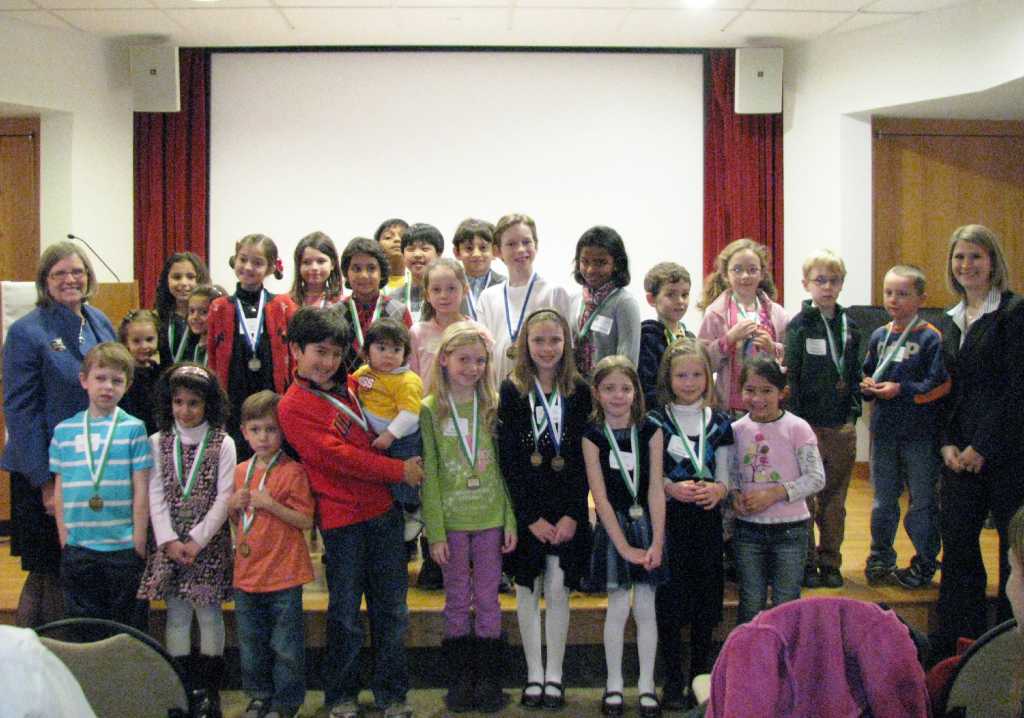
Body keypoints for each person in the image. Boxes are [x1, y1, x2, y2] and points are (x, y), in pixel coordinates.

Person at [277, 307, 423, 718]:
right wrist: (399, 470)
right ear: (295, 350)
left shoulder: (358, 384)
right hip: (342, 521)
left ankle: (392, 694)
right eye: (319, 352)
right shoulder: (292, 406)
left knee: (392, 609)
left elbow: (391, 415)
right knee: (344, 613)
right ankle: (340, 696)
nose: (327, 362)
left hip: (383, 510)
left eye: (336, 353)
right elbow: (338, 457)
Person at [2, 241, 117, 627]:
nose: (70, 279)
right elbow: (20, 412)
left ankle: (76, 661)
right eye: (60, 273)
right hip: (44, 471)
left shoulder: (99, 321)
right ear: (44, 282)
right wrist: (45, 481)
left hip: (92, 466)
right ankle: (32, 663)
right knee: (46, 571)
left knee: (78, 569)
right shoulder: (26, 331)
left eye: (77, 272)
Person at [932, 224, 1024, 659]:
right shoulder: (948, 320)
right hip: (960, 454)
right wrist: (949, 444)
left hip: (1008, 453)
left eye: (975, 256)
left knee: (1014, 554)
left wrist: (982, 446)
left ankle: (1008, 647)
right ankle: (961, 649)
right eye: (959, 257)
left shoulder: (1014, 312)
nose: (966, 265)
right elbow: (951, 390)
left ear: (993, 262)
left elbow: (1015, 390)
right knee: (960, 551)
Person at [499, 309, 592, 711]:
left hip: (567, 505)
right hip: (529, 509)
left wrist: (573, 513)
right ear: (525, 345)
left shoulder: (580, 391)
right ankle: (533, 673)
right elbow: (509, 461)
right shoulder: (512, 388)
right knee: (526, 588)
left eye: (555, 340)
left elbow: (586, 459)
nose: (547, 348)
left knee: (558, 588)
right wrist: (529, 517)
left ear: (567, 344)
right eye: (538, 341)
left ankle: (555, 674)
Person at [422, 321, 517, 713]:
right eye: (464, 359)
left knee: (489, 599)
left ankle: (490, 680)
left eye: (480, 360)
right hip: (452, 520)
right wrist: (436, 532)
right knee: (457, 598)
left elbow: (504, 468)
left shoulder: (493, 403)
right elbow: (429, 473)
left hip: (491, 516)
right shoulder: (431, 409)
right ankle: (460, 680)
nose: (473, 367)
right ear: (444, 360)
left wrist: (510, 518)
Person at [137, 363, 237, 718]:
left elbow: (225, 497)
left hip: (206, 546)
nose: (185, 410)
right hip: (170, 546)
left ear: (208, 404)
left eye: (193, 403)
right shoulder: (157, 441)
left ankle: (210, 692)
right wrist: (167, 540)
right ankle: (182, 689)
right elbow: (155, 496)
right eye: (178, 402)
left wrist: (196, 540)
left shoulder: (223, 442)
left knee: (208, 615)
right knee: (177, 615)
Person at [649, 338, 733, 710]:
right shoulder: (655, 421)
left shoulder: (720, 422)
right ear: (668, 377)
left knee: (704, 602)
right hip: (670, 521)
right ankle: (673, 678)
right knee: (670, 599)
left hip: (706, 521)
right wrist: (669, 487)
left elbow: (727, 474)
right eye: (681, 375)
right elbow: (649, 477)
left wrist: (719, 489)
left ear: (707, 377)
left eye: (697, 374)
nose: (689, 382)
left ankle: (701, 674)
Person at [584, 355, 667, 718]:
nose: (618, 396)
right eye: (609, 389)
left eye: (625, 388)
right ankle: (614, 683)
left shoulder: (651, 429)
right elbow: (599, 496)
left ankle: (647, 683)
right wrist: (622, 546)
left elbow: (655, 491)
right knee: (618, 608)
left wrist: (657, 542)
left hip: (647, 525)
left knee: (647, 607)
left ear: (636, 392)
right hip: (613, 529)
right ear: (597, 393)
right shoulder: (592, 435)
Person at [50, 342, 152, 629]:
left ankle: (127, 675)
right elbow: (60, 489)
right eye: (100, 378)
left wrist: (139, 539)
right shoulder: (64, 430)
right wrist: (64, 536)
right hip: (79, 545)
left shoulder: (134, 428)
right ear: (84, 380)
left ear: (127, 386)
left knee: (127, 627)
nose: (108, 387)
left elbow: (141, 488)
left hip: (123, 546)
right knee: (84, 625)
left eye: (117, 381)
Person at [860, 265, 949, 589]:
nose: (893, 299)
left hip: (919, 436)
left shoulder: (930, 336)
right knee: (883, 501)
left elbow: (938, 384)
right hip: (883, 433)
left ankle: (925, 561)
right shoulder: (879, 335)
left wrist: (902, 390)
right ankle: (880, 557)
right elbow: (868, 370)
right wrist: (867, 385)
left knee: (922, 502)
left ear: (921, 298)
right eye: (888, 293)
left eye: (902, 293)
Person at [228, 391, 315, 718]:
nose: (263, 437)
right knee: (252, 644)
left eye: (271, 429)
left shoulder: (293, 471)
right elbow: (241, 523)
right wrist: (232, 509)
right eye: (256, 429)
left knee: (286, 646)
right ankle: (259, 695)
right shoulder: (240, 471)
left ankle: (287, 701)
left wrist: (271, 505)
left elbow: (305, 520)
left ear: (283, 432)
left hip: (284, 573)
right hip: (248, 573)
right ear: (244, 431)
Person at [784, 250, 862, 589]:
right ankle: (806, 563)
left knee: (834, 501)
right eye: (820, 280)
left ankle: (831, 560)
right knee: (806, 498)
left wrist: (852, 415)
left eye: (834, 280)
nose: (827, 287)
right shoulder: (799, 326)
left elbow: (856, 374)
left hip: (840, 426)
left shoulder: (851, 326)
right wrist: (799, 426)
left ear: (842, 284)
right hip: (807, 427)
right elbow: (793, 378)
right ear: (806, 284)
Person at [728, 356, 824, 625]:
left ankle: (787, 662)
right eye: (750, 390)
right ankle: (749, 661)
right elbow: (732, 473)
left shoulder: (797, 427)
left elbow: (816, 478)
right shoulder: (735, 430)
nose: (757, 398)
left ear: (783, 393)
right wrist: (734, 494)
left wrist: (774, 493)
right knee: (751, 599)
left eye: (767, 391)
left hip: (791, 530)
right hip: (748, 530)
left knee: (786, 601)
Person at [206, 234, 292, 459]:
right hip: (234, 392)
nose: (248, 267)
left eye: (257, 262)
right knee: (240, 450)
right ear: (235, 260)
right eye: (243, 259)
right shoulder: (218, 307)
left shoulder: (283, 305)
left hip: (271, 390)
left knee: (273, 447)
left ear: (271, 267)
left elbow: (292, 357)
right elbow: (213, 358)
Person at [477, 213, 573, 382]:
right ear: (498, 251)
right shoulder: (488, 298)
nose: (520, 249)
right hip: (499, 389)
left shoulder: (554, 293)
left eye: (526, 242)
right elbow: (483, 351)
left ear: (536, 245)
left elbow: (568, 350)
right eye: (511, 244)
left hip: (544, 390)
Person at [697, 238, 788, 415]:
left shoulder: (778, 314)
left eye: (752, 270)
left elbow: (790, 358)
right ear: (725, 275)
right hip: (731, 406)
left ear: (762, 274)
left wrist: (772, 347)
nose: (745, 276)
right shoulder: (715, 314)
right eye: (737, 270)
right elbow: (704, 363)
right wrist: (728, 339)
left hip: (768, 405)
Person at [353, 318, 424, 534]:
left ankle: (413, 510)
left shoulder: (407, 380)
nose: (388, 354)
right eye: (381, 348)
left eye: (396, 349)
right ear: (367, 351)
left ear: (405, 353)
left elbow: (410, 415)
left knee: (406, 474)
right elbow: (350, 389)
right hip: (375, 436)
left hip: (402, 437)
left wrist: (390, 435)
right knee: (383, 480)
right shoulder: (364, 373)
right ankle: (394, 511)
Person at [571, 225, 641, 376]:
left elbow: (627, 362)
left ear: (616, 264)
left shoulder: (624, 303)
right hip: (576, 391)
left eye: (600, 263)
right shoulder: (575, 301)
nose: (590, 270)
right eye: (585, 261)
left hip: (608, 393)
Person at [339, 236, 413, 375]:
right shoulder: (335, 313)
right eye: (356, 268)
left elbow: (408, 358)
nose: (364, 275)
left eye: (371, 268)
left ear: (382, 272)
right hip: (345, 392)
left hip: (388, 390)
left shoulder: (399, 311)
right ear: (346, 272)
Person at [639, 262, 694, 408]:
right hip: (660, 413)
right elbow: (647, 385)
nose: (680, 301)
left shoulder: (690, 338)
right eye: (670, 295)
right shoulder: (647, 337)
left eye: (685, 294)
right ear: (651, 299)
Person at [155, 252, 210, 367]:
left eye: (190, 277)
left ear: (201, 279)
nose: (184, 283)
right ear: (166, 280)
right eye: (176, 277)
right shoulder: (158, 319)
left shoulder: (210, 319)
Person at [118, 308, 162, 435]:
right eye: (136, 341)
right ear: (126, 342)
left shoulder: (159, 371)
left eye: (149, 339)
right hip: (132, 435)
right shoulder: (124, 374)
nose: (144, 346)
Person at [452, 218, 505, 322]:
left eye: (483, 248)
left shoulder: (505, 284)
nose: (476, 254)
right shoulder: (449, 285)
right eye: (469, 248)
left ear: (495, 251)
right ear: (457, 253)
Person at [389, 222, 443, 320]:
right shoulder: (393, 298)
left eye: (425, 249)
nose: (417, 254)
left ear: (439, 254)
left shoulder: (448, 294)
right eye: (411, 249)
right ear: (403, 254)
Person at [289, 230, 343, 308]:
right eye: (306, 262)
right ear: (299, 266)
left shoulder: (341, 303)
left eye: (321, 261)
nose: (314, 267)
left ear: (332, 264)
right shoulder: (286, 303)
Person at [186, 284, 226, 366]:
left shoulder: (224, 347)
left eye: (204, 312)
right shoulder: (191, 344)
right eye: (192, 311)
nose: (195, 317)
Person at [374, 218, 409, 295]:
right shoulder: (368, 282)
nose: (397, 239)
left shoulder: (423, 281)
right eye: (388, 237)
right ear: (377, 245)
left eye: (402, 236)